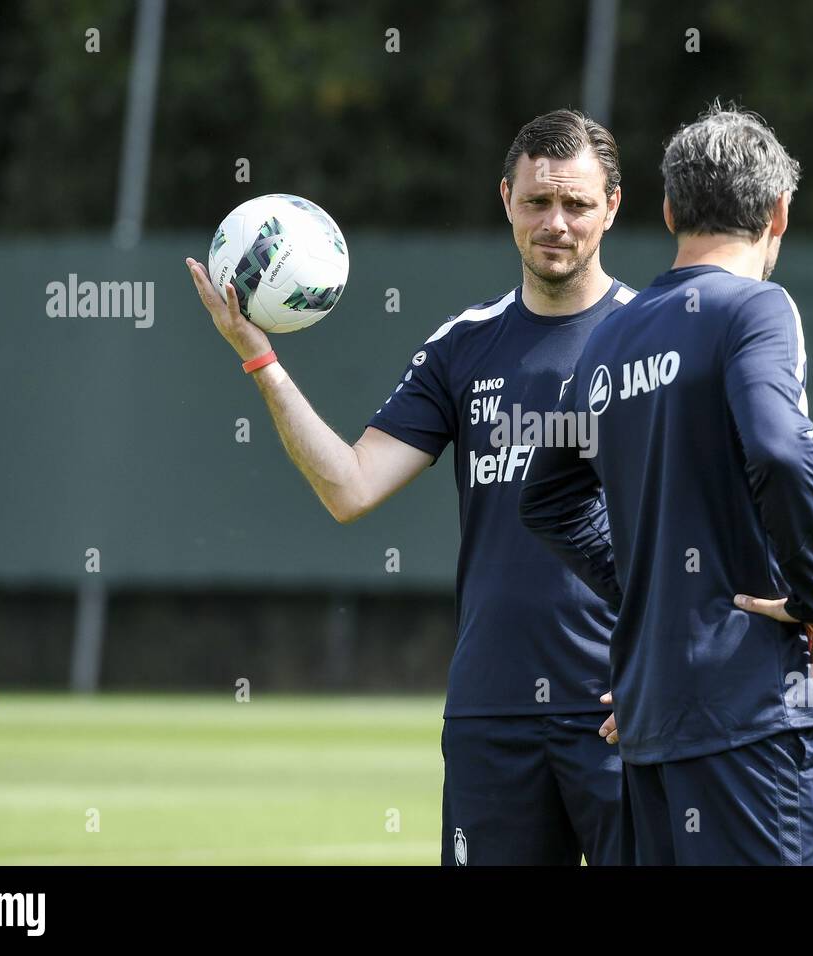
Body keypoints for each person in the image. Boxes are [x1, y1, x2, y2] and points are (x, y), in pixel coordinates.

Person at [186, 109, 634, 865]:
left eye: (577, 204)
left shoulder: (652, 336)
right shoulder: (464, 345)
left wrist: (666, 667)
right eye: (536, 202)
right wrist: (260, 359)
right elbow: (350, 488)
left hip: (619, 708)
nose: (555, 223)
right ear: (505, 200)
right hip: (491, 713)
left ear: (612, 207)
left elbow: (709, 519)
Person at [519, 104, 813, 865]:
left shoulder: (611, 336)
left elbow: (545, 497)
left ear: (669, 209)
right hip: (749, 715)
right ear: (779, 213)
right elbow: (781, 451)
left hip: (651, 720)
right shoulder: (756, 307)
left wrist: (653, 599)